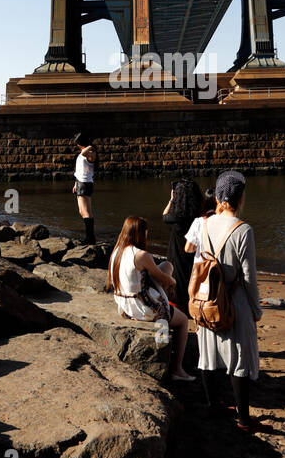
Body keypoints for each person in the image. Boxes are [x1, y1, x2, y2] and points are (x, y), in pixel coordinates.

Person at [191, 170, 265, 432]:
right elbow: (249, 277)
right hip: (234, 302)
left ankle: (213, 407)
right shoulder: (243, 230)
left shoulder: (203, 223)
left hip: (208, 300)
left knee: (208, 355)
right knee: (240, 359)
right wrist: (256, 310)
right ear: (240, 198)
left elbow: (198, 263)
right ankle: (243, 419)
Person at [108, 215, 193, 382]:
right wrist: (173, 282)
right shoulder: (141, 255)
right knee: (183, 321)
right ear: (140, 234)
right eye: (145, 232)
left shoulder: (117, 250)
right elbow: (164, 279)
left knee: (167, 265)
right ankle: (177, 369)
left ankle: (167, 319)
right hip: (143, 307)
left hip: (125, 305)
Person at [162, 176, 203, 307]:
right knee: (193, 275)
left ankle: (181, 304)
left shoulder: (176, 216)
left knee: (178, 277)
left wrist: (172, 200)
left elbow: (164, 215)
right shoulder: (199, 214)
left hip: (177, 252)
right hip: (193, 250)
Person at [72, 133, 96, 244]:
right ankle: (89, 237)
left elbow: (83, 152)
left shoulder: (91, 153)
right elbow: (79, 170)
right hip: (80, 183)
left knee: (86, 212)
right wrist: (75, 184)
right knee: (82, 211)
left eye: (77, 143)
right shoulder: (84, 153)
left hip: (85, 183)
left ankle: (90, 238)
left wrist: (90, 145)